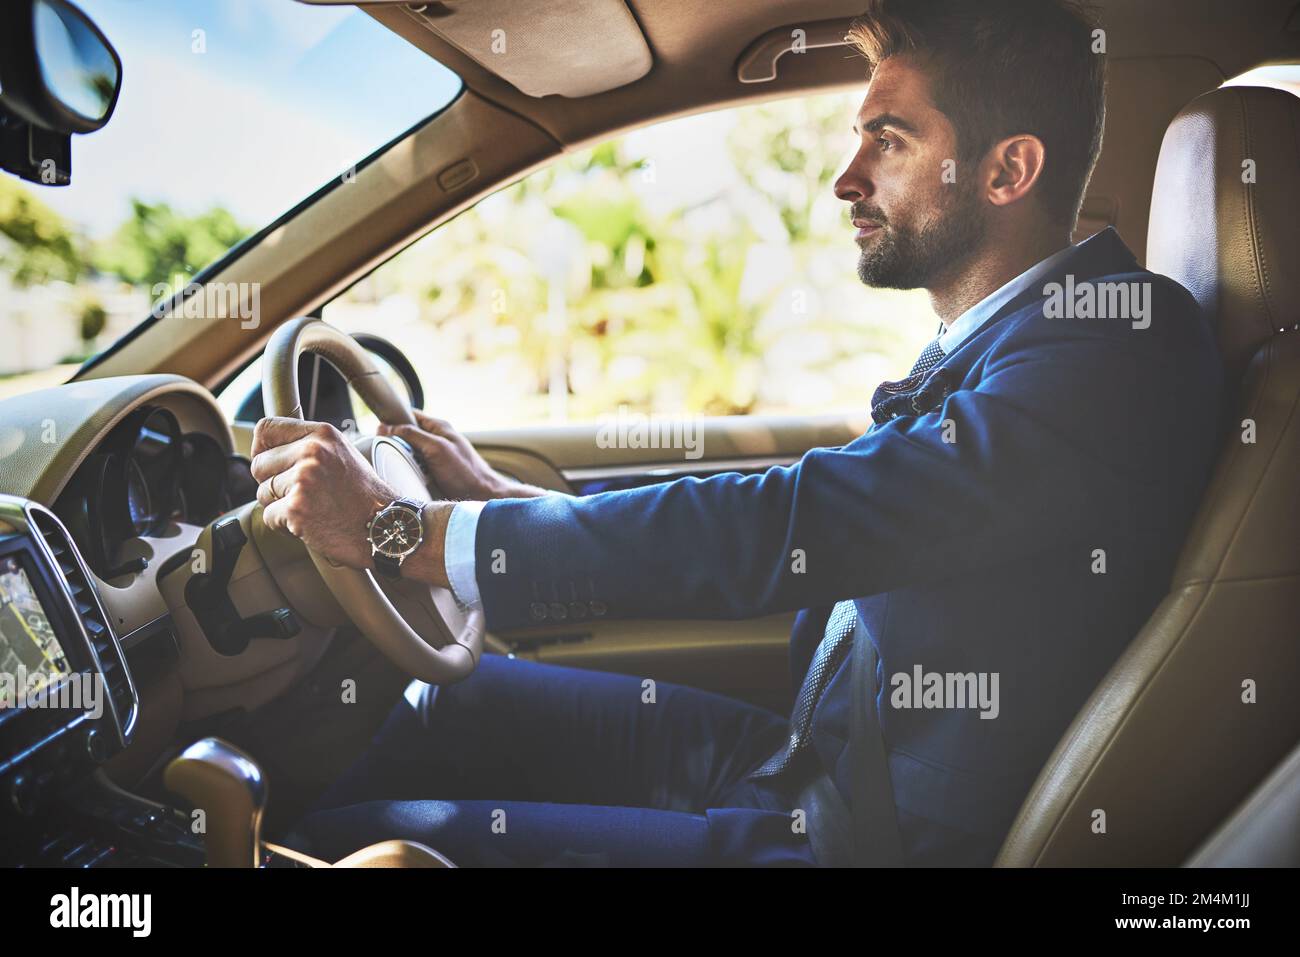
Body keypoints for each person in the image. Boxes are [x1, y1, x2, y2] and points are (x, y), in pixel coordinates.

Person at [251, 0, 1223, 866]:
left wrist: (404, 533)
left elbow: (805, 518)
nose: (845, 178)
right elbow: (845, 505)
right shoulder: (1026, 338)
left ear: (1007, 169)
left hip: (858, 835)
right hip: (797, 757)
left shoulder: (1121, 342)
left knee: (362, 850)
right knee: (438, 707)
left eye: (888, 139)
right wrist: (503, 505)